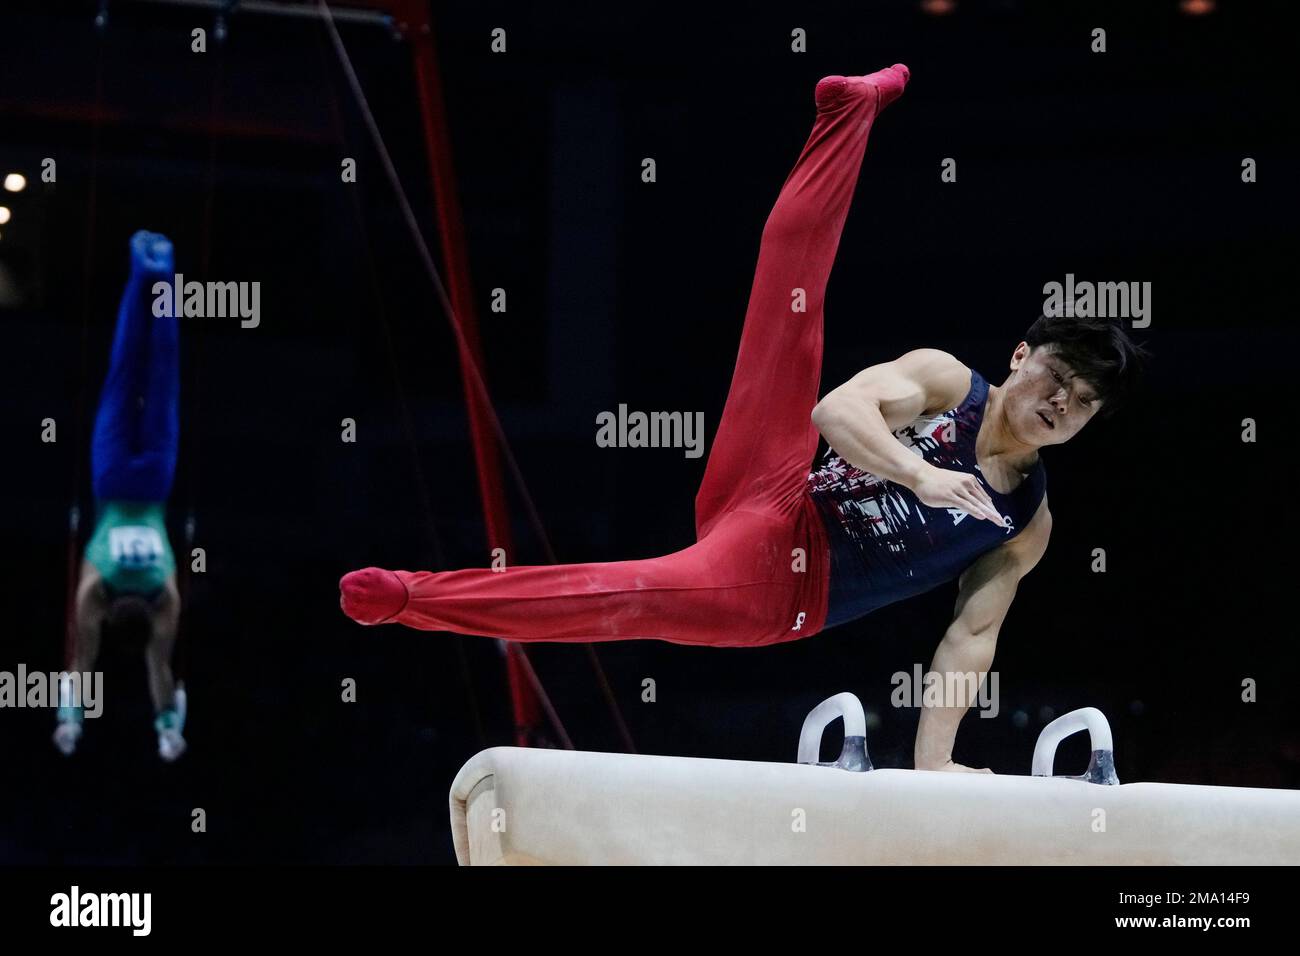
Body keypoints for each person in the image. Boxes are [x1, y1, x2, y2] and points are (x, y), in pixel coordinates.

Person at [338, 66, 1147, 771]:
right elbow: (836, 410)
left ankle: (413, 597)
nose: (1060, 403)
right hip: (774, 485)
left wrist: (931, 766)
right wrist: (921, 474)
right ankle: (849, 115)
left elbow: (971, 642)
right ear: (1019, 357)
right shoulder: (946, 382)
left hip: (780, 585)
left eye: (1082, 405)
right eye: (1058, 376)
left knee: (627, 596)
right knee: (789, 312)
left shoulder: (1023, 522)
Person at [55, 230, 188, 762]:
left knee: (154, 375)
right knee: (131, 372)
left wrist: (168, 726)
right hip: (120, 480)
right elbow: (81, 663)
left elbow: (152, 666)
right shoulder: (99, 598)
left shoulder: (164, 602)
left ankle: (156, 270)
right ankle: (146, 268)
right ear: (115, 617)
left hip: (145, 481)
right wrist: (163, 726)